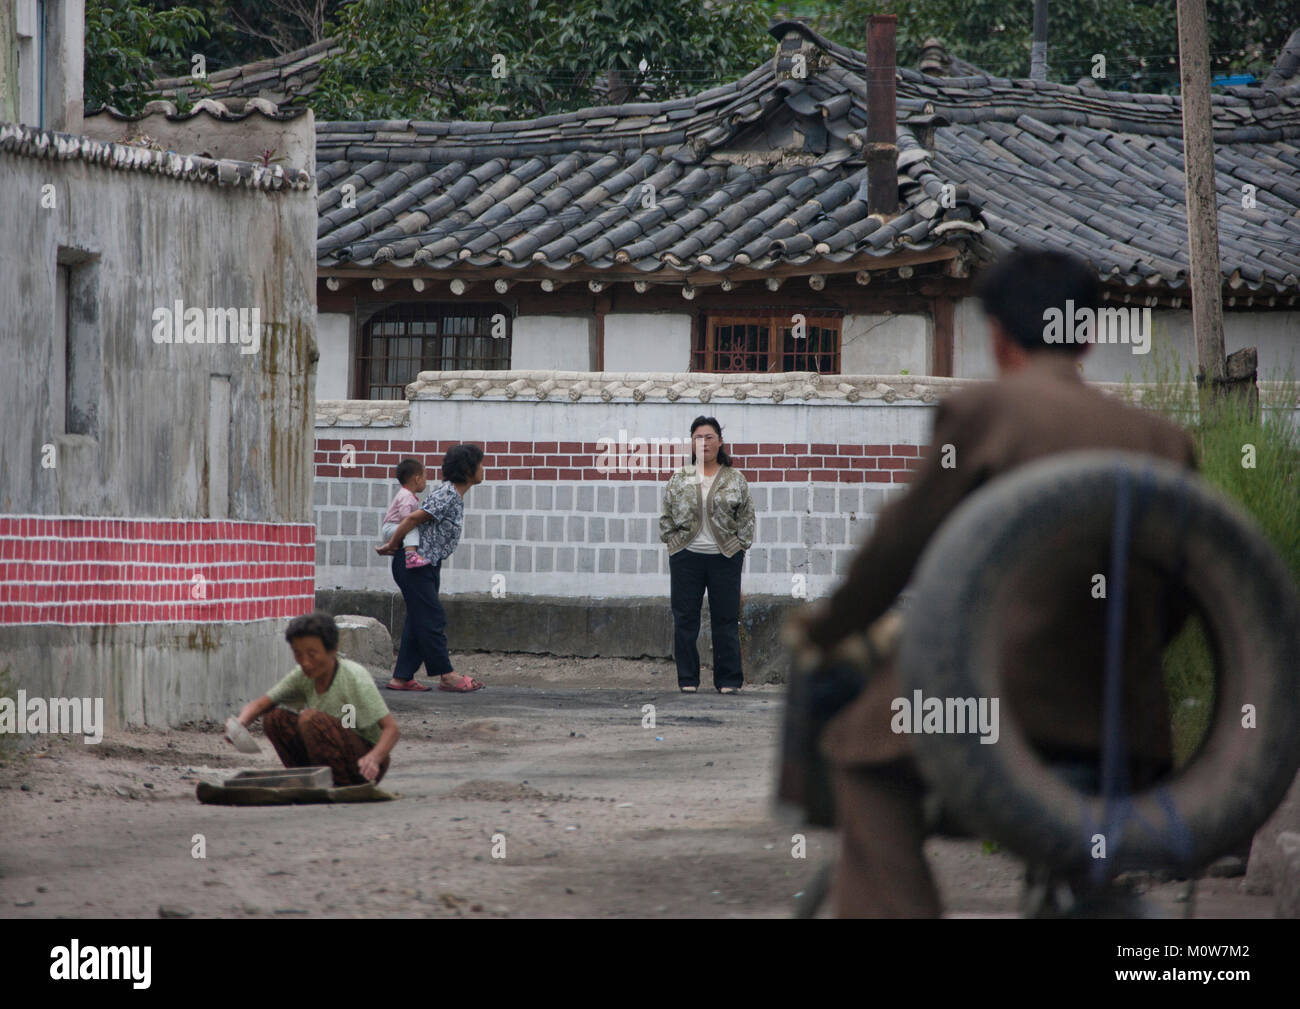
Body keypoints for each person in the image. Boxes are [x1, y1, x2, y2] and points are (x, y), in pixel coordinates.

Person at [795, 249, 1197, 917]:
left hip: (995, 706)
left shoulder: (985, 413)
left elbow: (898, 546)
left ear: (999, 337)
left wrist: (832, 624)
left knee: (859, 754)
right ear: (1088, 334)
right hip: (1126, 723)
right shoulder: (1162, 440)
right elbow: (1184, 595)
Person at [231, 612, 399, 786]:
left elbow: (391, 729)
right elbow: (260, 704)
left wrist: (373, 758)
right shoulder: (302, 675)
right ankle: (305, 777)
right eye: (298, 654)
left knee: (310, 719)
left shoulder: (355, 677)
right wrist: (240, 723)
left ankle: (339, 784)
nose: (305, 662)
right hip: (326, 753)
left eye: (312, 654)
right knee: (275, 719)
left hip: (364, 762)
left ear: (332, 650)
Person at [377, 443, 485, 693]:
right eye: (480, 464)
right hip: (414, 566)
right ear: (468, 470)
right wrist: (392, 543)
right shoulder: (447, 493)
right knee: (432, 616)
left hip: (427, 565)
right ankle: (446, 675)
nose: (483, 469)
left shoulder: (453, 494)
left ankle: (402, 677)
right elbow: (413, 518)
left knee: (419, 619)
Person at [659, 416, 756, 694]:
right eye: (698, 437)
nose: (704, 443)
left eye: (709, 436)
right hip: (686, 558)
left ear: (720, 441)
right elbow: (666, 515)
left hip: (724, 557)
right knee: (685, 618)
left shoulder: (735, 479)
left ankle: (728, 680)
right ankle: (687, 678)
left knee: (725, 619)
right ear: (691, 443)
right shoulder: (680, 478)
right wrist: (674, 543)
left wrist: (739, 545)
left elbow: (747, 516)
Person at [382, 458, 431, 569]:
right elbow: (406, 518)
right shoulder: (406, 496)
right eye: (425, 477)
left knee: (411, 527)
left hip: (394, 528)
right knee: (411, 527)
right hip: (390, 528)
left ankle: (398, 550)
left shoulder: (407, 495)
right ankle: (411, 558)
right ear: (417, 479)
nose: (425, 481)